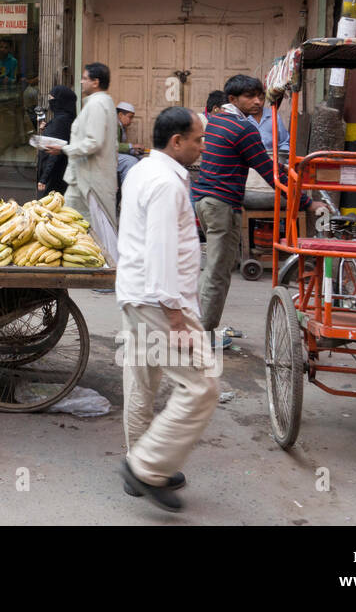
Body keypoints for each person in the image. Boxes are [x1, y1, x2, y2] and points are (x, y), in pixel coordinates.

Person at [116, 106, 218, 513]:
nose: (202, 147)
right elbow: (160, 252)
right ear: (176, 142)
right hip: (158, 299)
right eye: (198, 140)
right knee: (202, 384)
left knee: (143, 380)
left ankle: (142, 464)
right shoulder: (165, 183)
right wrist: (175, 315)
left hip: (138, 294)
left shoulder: (145, 170)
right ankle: (146, 465)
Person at [192, 75, 323, 345]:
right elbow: (269, 172)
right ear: (232, 99)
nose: (258, 101)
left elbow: (257, 161)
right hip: (221, 204)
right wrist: (308, 203)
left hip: (204, 201)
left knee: (214, 269)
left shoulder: (216, 120)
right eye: (250, 96)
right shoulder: (243, 128)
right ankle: (201, 336)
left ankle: (199, 326)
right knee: (218, 272)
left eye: (260, 96)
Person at [46, 62, 119, 237]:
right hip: (82, 177)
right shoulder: (101, 103)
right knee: (73, 224)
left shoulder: (97, 105)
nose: (81, 82)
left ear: (96, 82)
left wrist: (64, 148)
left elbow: (93, 143)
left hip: (90, 180)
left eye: (85, 78)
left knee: (93, 228)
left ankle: (104, 261)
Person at [36, 84, 76, 195]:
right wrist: (48, 127)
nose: (49, 102)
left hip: (53, 177)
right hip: (60, 173)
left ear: (61, 101)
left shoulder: (60, 121)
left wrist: (44, 178)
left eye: (51, 99)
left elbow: (55, 152)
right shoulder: (65, 118)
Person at [116, 101, 143, 183]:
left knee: (139, 157)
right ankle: (126, 189)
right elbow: (114, 146)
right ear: (120, 115)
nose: (131, 121)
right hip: (107, 156)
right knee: (131, 161)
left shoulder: (121, 126)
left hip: (115, 154)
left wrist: (133, 150)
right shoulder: (113, 124)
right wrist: (132, 146)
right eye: (130, 117)